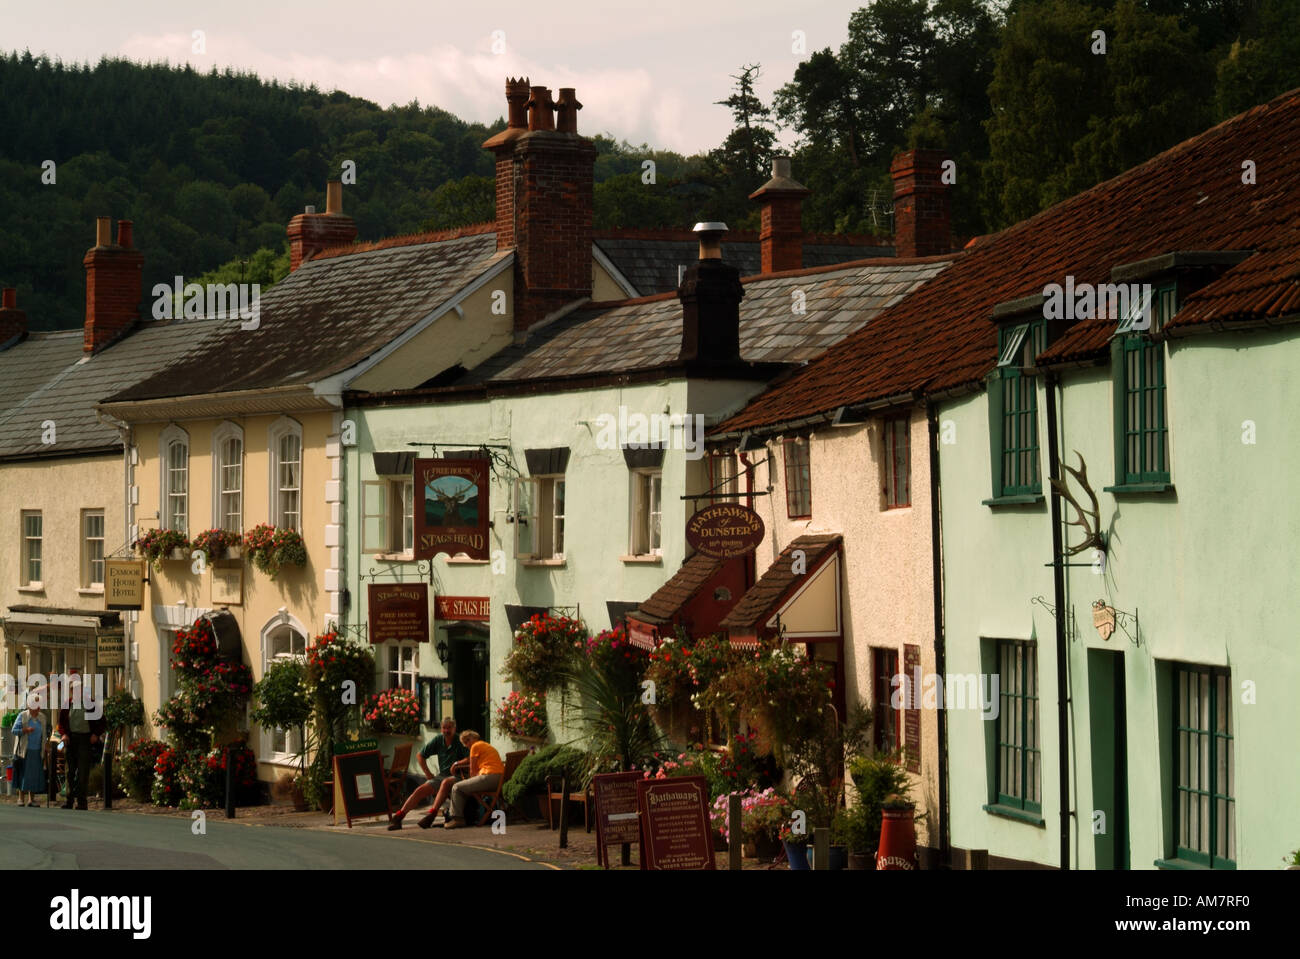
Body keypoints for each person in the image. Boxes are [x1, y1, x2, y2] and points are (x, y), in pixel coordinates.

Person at [386, 717, 469, 830]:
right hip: (442, 775)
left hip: (459, 776)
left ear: (454, 729)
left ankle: (431, 815)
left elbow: (470, 758)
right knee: (420, 790)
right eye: (444, 728)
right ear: (441, 729)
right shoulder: (439, 740)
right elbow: (420, 755)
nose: (446, 731)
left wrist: (456, 763)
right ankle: (399, 817)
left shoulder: (459, 740)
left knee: (445, 782)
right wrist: (428, 773)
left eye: (449, 728)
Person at [56, 668, 104, 810]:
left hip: (85, 739)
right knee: (69, 771)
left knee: (83, 771)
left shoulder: (91, 703)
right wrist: (64, 734)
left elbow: (102, 722)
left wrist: (96, 734)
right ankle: (69, 800)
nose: (76, 692)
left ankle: (82, 802)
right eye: (73, 689)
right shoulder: (67, 705)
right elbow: (61, 724)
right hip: (71, 740)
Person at [445, 730, 504, 829]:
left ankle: (457, 819)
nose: (467, 745)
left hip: (489, 777)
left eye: (467, 742)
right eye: (465, 743)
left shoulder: (475, 747)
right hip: (499, 779)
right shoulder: (485, 745)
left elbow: (472, 771)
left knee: (457, 787)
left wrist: (469, 782)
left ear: (471, 739)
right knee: (465, 786)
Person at [10, 695, 48, 806]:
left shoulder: (42, 717)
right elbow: (14, 730)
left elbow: (44, 733)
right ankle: (20, 798)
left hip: (37, 750)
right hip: (24, 750)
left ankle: (32, 799)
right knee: (24, 774)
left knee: (34, 774)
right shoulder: (22, 716)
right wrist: (25, 730)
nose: (38, 708)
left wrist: (46, 744)